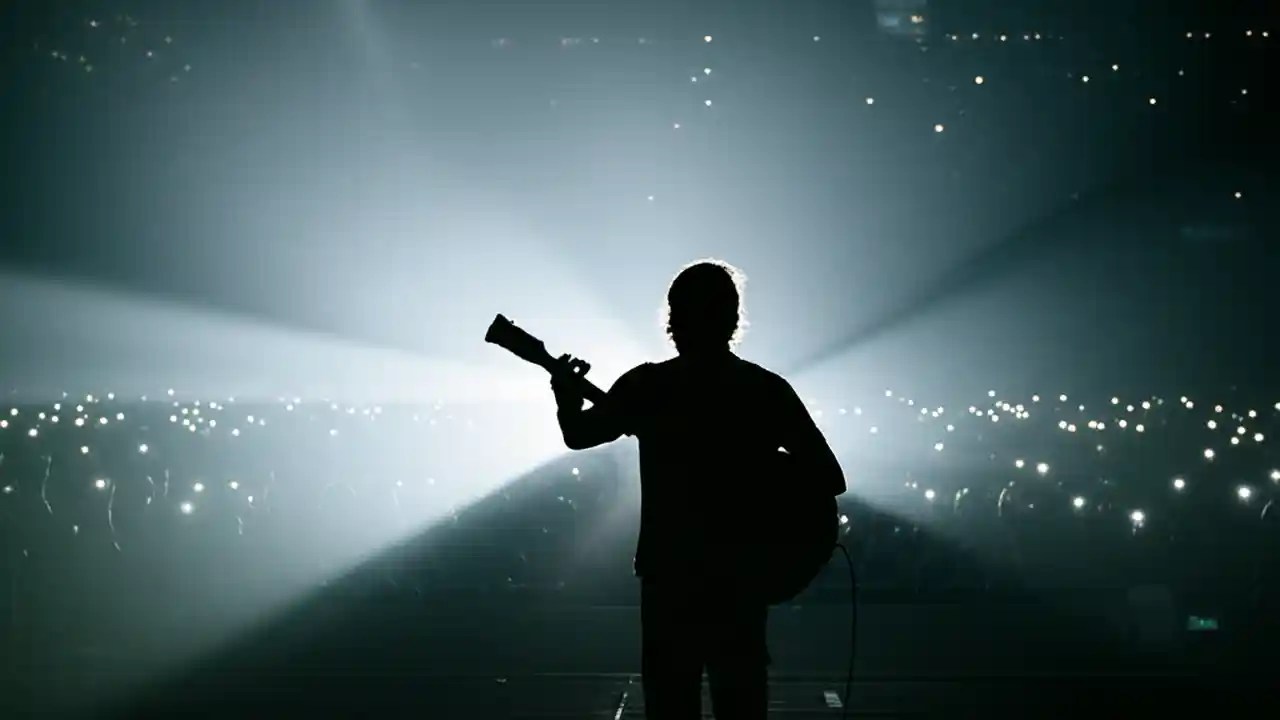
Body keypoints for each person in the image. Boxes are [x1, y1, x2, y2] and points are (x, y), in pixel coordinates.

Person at [550, 258, 846, 720]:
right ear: (732, 319)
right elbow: (830, 477)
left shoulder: (648, 386)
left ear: (673, 320)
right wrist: (756, 467)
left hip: (670, 579)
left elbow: (579, 434)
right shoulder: (765, 390)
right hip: (739, 579)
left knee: (670, 706)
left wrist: (565, 398)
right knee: (741, 704)